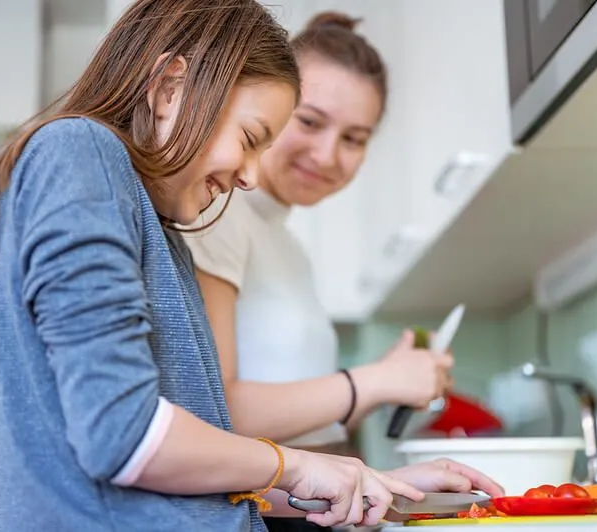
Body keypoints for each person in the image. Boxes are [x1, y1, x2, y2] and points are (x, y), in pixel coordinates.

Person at [0, 1, 502, 531]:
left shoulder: (163, 230)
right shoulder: (77, 152)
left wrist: (370, 483)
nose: (249, 175)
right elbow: (122, 435)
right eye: (249, 139)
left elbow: (199, 470)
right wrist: (298, 463)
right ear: (170, 87)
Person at [185, 12, 473, 531]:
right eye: (311, 122)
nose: (327, 155)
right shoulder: (220, 213)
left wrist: (380, 387)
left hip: (300, 514)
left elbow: (298, 424)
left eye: (354, 138)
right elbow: (217, 412)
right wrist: (375, 380)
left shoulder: (289, 246)